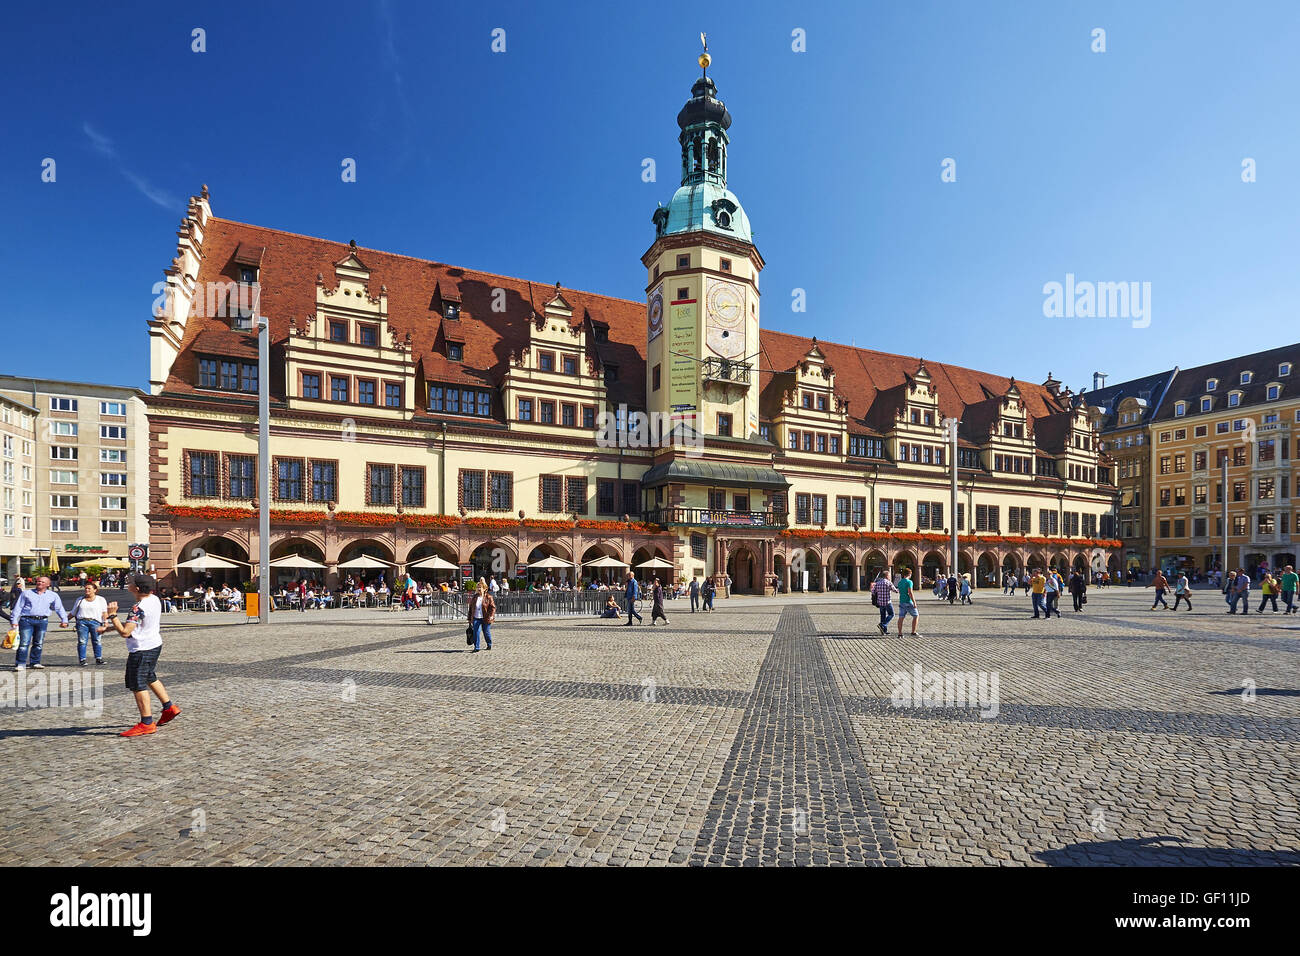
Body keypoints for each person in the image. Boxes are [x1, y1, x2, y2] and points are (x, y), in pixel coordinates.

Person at [101, 575, 180, 737]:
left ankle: (146, 723)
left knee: (138, 684)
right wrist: (109, 628)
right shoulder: (154, 599)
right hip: (154, 644)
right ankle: (169, 707)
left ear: (136, 588)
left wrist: (113, 616)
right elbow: (137, 624)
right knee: (150, 676)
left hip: (141, 649)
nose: (128, 584)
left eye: (130, 583)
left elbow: (125, 632)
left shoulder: (138, 607)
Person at [10, 575, 70, 671]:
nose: (39, 583)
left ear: (48, 584)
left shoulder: (53, 595)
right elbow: (18, 607)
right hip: (26, 620)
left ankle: (35, 662)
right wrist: (14, 620)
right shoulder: (26, 593)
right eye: (38, 581)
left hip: (42, 621)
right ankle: (20, 663)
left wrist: (64, 620)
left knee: (38, 643)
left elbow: (59, 608)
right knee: (24, 643)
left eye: (42, 582)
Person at [71, 580, 109, 666]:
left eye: (89, 588)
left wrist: (106, 622)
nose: (87, 590)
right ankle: (82, 659)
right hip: (82, 622)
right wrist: (65, 620)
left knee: (97, 641)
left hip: (95, 622)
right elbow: (73, 612)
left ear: (95, 590)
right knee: (82, 641)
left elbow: (104, 612)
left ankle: (98, 658)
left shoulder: (100, 599)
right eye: (86, 588)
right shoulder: (80, 599)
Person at [468, 579, 495, 652]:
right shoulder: (475, 597)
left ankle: (489, 644)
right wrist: (469, 618)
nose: (479, 589)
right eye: (478, 587)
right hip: (476, 617)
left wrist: (491, 615)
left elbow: (492, 607)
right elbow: (471, 608)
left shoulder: (488, 597)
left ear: (484, 589)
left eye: (480, 587)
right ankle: (476, 647)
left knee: (486, 632)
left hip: (486, 618)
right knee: (476, 632)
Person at [870, 570, 897, 636]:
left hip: (880, 602)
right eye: (889, 575)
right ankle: (882, 625)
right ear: (887, 576)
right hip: (887, 602)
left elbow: (873, 592)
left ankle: (884, 631)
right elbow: (895, 590)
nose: (890, 577)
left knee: (883, 616)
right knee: (891, 614)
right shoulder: (889, 583)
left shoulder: (878, 583)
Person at [895, 567, 920, 637]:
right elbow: (910, 592)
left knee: (901, 617)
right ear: (910, 574)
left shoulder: (900, 582)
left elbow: (900, 591)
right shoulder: (909, 582)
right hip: (908, 601)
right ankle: (913, 632)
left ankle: (900, 633)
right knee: (916, 616)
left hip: (902, 601)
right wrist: (914, 602)